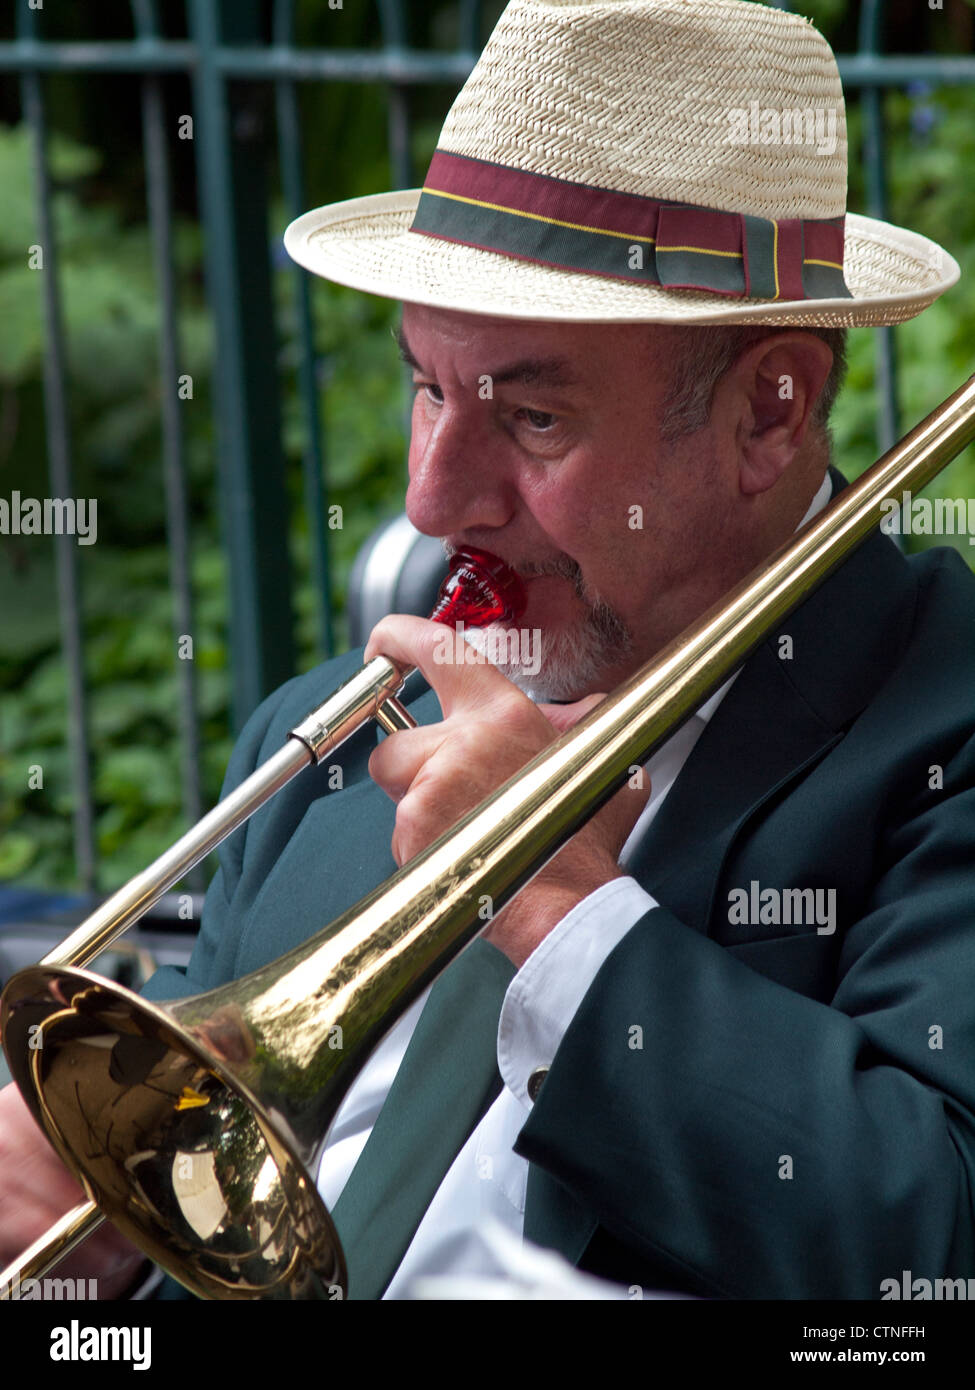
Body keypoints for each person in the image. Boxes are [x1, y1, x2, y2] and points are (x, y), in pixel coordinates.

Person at [2, 0, 973, 1301]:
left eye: (532, 413)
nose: (433, 498)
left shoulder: (944, 736)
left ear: (771, 409)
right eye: (425, 386)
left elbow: (934, 1238)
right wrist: (100, 1246)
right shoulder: (338, 746)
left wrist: (567, 915)